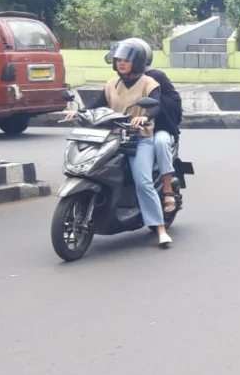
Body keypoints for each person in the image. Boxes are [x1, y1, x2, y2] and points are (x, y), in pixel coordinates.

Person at [68, 40, 174, 247]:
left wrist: (145, 117)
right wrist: (79, 111)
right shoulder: (111, 84)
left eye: (126, 61)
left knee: (143, 182)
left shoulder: (149, 83)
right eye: (118, 61)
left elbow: (156, 107)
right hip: (112, 137)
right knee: (90, 170)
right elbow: (97, 104)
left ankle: (159, 228)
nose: (121, 64)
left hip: (140, 138)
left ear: (136, 62)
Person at [110, 39, 184, 212]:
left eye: (128, 58)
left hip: (158, 129)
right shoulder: (119, 81)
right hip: (130, 130)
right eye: (120, 58)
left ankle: (167, 190)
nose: (123, 62)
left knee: (160, 142)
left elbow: (173, 104)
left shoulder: (154, 77)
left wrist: (149, 112)